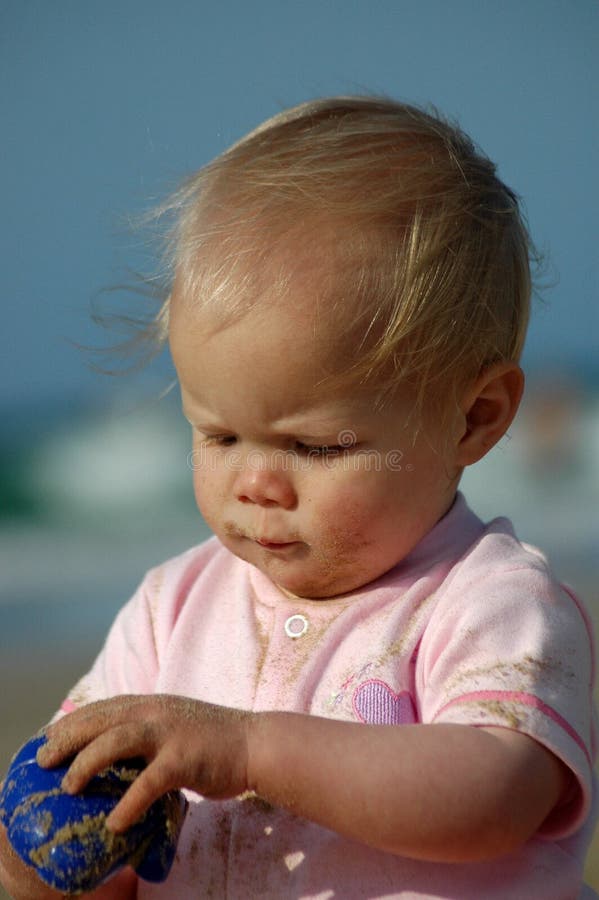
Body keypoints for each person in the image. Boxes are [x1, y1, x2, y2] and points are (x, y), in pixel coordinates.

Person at [0, 96, 596, 899]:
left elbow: (497, 793)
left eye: (315, 446)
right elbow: (101, 833)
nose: (255, 482)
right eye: (218, 436)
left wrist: (250, 751)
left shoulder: (490, 600)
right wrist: (45, 854)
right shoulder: (168, 610)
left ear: (473, 419)